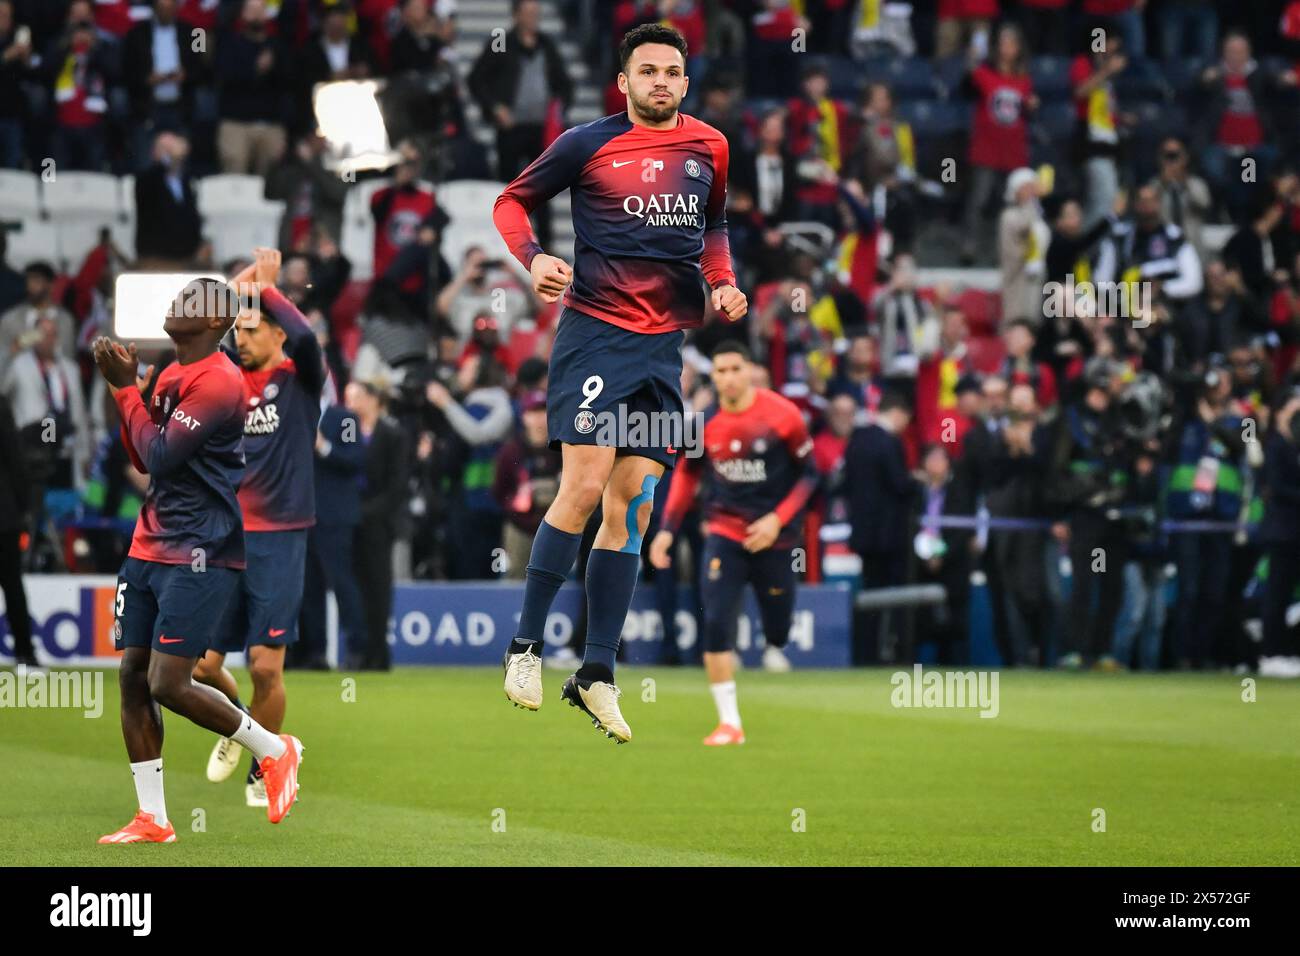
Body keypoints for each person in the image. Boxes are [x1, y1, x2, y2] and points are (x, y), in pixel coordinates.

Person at [491, 22, 746, 743]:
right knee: (582, 485)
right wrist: (534, 259)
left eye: (672, 71)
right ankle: (526, 649)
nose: (660, 81)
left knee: (634, 503)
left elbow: (716, 227)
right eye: (648, 70)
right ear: (624, 82)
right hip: (596, 336)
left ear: (685, 83)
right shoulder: (587, 143)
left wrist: (723, 284)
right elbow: (510, 202)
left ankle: (596, 673)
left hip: (664, 348)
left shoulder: (711, 147)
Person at [90, 278, 302, 844]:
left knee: (168, 681)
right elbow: (143, 456)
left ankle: (274, 748)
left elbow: (159, 452)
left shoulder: (218, 380)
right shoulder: (172, 374)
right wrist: (127, 391)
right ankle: (152, 817)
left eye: (187, 302)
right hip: (148, 544)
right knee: (133, 677)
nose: (173, 304)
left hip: (198, 551)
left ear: (213, 322)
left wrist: (125, 389)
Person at [193, 248, 324, 807]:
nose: (239, 340)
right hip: (225, 534)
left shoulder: (302, 379)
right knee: (197, 667)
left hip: (279, 536)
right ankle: (247, 728)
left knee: (266, 665)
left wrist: (268, 289)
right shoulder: (228, 378)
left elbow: (309, 338)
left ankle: (262, 767)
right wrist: (248, 285)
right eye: (238, 332)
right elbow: (217, 308)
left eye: (251, 332)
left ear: (276, 335)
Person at [650, 341, 818, 745]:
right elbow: (688, 476)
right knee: (716, 622)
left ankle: (773, 642)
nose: (727, 378)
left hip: (774, 540)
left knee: (778, 628)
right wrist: (667, 530)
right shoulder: (703, 423)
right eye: (720, 371)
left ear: (750, 372)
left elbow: (811, 476)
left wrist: (777, 521)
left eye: (734, 369)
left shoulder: (783, 415)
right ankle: (729, 723)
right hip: (724, 534)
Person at [844, 390, 913, 663]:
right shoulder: (889, 443)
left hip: (863, 533)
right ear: (898, 413)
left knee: (869, 592)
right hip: (888, 535)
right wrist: (916, 483)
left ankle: (865, 652)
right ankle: (892, 651)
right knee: (891, 597)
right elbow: (899, 485)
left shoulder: (857, 440)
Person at [346, 379, 407, 671]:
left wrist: (368, 511)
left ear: (373, 399)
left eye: (357, 396)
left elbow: (398, 484)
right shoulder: (346, 432)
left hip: (380, 524)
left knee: (378, 587)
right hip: (349, 523)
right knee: (353, 587)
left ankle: (378, 653)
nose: (352, 403)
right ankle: (358, 651)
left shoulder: (392, 434)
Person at [1256, 389, 1300, 678]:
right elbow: (1275, 488)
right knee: (1277, 593)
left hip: (1295, 530)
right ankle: (1270, 653)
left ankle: (1286, 650)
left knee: (1288, 596)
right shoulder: (1275, 444)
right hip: (1281, 530)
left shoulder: (1294, 445)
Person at [0, 392, 35, 666]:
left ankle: (26, 653)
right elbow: (15, 458)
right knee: (12, 585)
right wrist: (24, 507)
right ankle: (26, 655)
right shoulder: (1, 404)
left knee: (13, 586)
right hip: (5, 515)